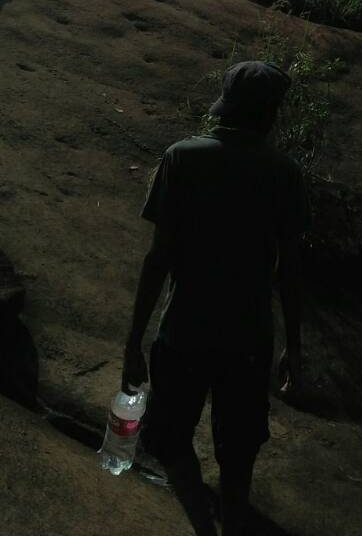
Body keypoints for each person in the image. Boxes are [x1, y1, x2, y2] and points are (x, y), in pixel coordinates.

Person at [122, 60, 311, 536]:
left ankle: (203, 526)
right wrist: (295, 346)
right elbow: (290, 271)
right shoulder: (284, 174)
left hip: (184, 329)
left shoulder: (183, 158)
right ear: (270, 116)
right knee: (239, 452)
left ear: (226, 107)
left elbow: (158, 258)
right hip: (249, 339)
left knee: (167, 439)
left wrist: (133, 342)